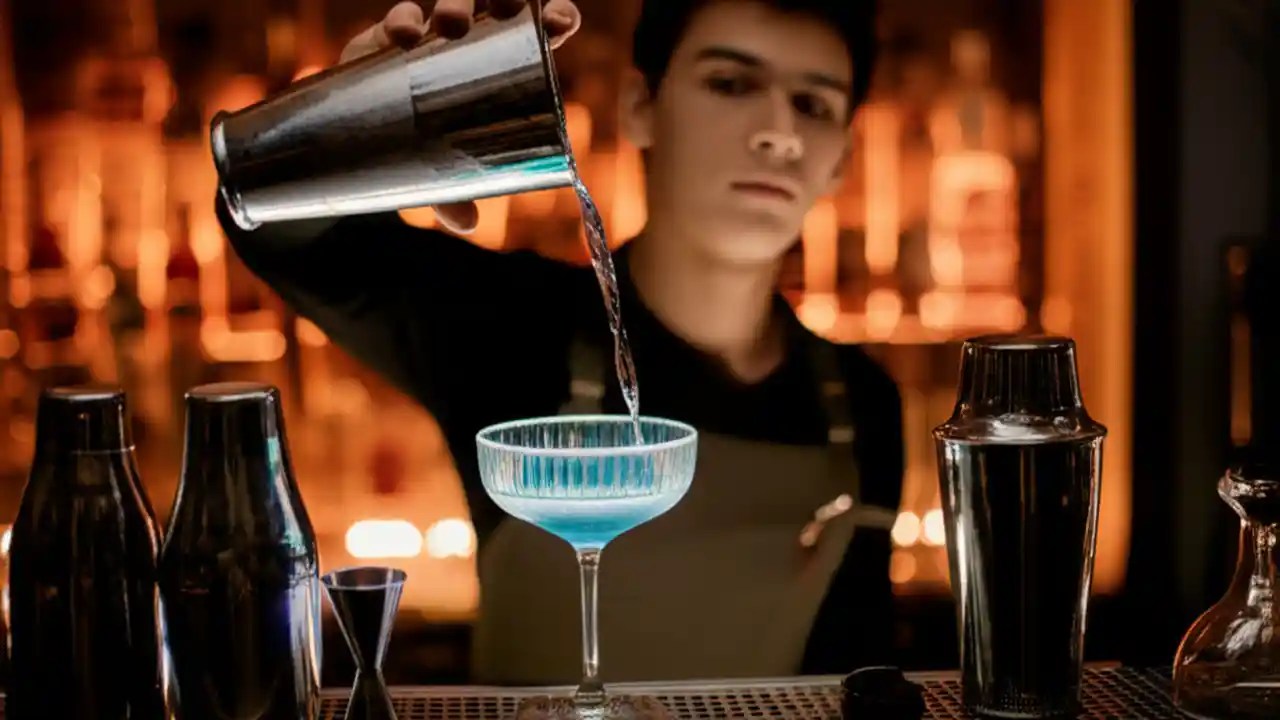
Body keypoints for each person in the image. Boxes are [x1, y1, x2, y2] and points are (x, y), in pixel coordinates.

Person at [219, 0, 902, 679]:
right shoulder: (511, 326)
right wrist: (353, 119)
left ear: (842, 157)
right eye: (730, 83)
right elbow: (279, 234)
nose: (778, 132)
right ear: (638, 105)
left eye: (813, 104)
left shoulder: (863, 404)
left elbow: (856, 673)